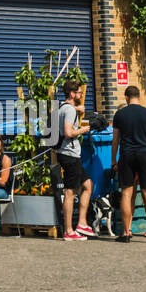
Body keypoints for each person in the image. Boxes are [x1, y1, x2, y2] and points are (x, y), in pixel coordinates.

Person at [110, 85, 146, 242]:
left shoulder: (119, 114)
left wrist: (114, 161)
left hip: (127, 155)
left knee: (126, 193)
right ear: (139, 97)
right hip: (145, 155)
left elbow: (115, 141)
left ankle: (126, 232)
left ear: (126, 97)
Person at [55, 79, 95, 241]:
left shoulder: (63, 108)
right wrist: (83, 130)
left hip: (69, 154)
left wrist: (77, 109)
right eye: (79, 92)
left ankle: (82, 223)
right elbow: (68, 132)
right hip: (69, 154)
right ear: (72, 94)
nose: (81, 94)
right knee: (70, 192)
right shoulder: (69, 110)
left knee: (88, 185)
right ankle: (69, 230)